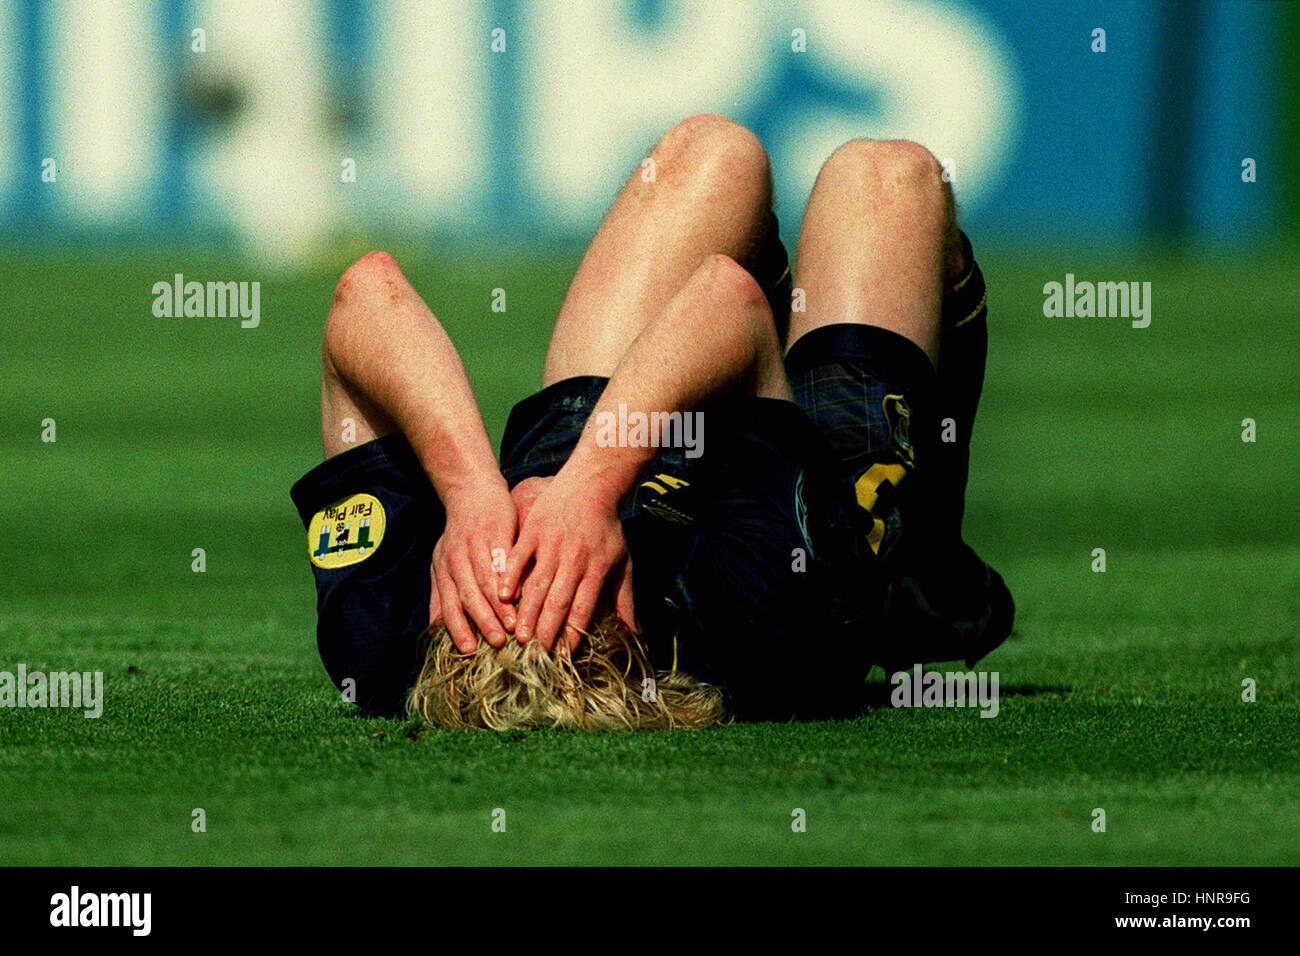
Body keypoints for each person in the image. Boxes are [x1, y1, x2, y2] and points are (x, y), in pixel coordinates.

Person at [289, 114, 1013, 728]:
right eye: (555, 580)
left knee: (714, 152)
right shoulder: (751, 627)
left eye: (499, 579)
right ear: (631, 619)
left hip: (607, 426)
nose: (523, 541)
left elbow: (366, 296)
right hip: (820, 516)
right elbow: (731, 304)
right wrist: (588, 494)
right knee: (885, 176)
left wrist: (471, 493)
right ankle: (926, 564)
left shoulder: (386, 640)